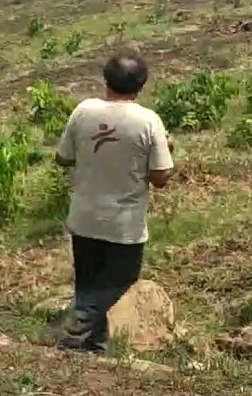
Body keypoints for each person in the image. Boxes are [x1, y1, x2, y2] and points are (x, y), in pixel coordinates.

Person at [53, 51, 174, 352]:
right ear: (142, 85)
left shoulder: (83, 110)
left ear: (105, 80)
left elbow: (62, 157)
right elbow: (160, 178)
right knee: (116, 288)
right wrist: (168, 151)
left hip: (84, 217)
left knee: (87, 283)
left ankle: (91, 345)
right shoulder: (148, 121)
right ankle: (77, 336)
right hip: (124, 226)